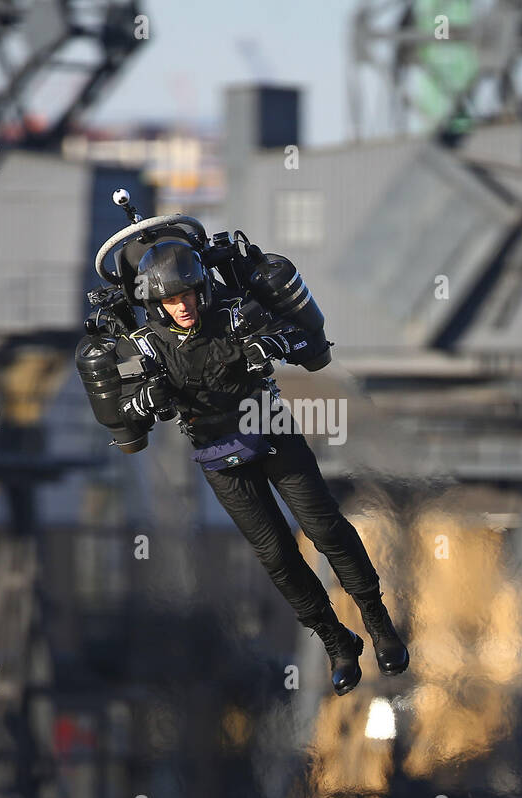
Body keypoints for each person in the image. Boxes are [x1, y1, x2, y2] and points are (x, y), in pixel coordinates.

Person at [115, 240, 409, 696]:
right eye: (171, 300)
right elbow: (123, 411)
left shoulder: (234, 313)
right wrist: (146, 401)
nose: (183, 306)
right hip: (218, 456)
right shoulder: (147, 345)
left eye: (189, 294)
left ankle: (378, 622)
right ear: (157, 305)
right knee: (275, 555)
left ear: (201, 290)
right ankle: (336, 641)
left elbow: (302, 337)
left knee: (324, 528)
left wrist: (270, 343)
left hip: (269, 428)